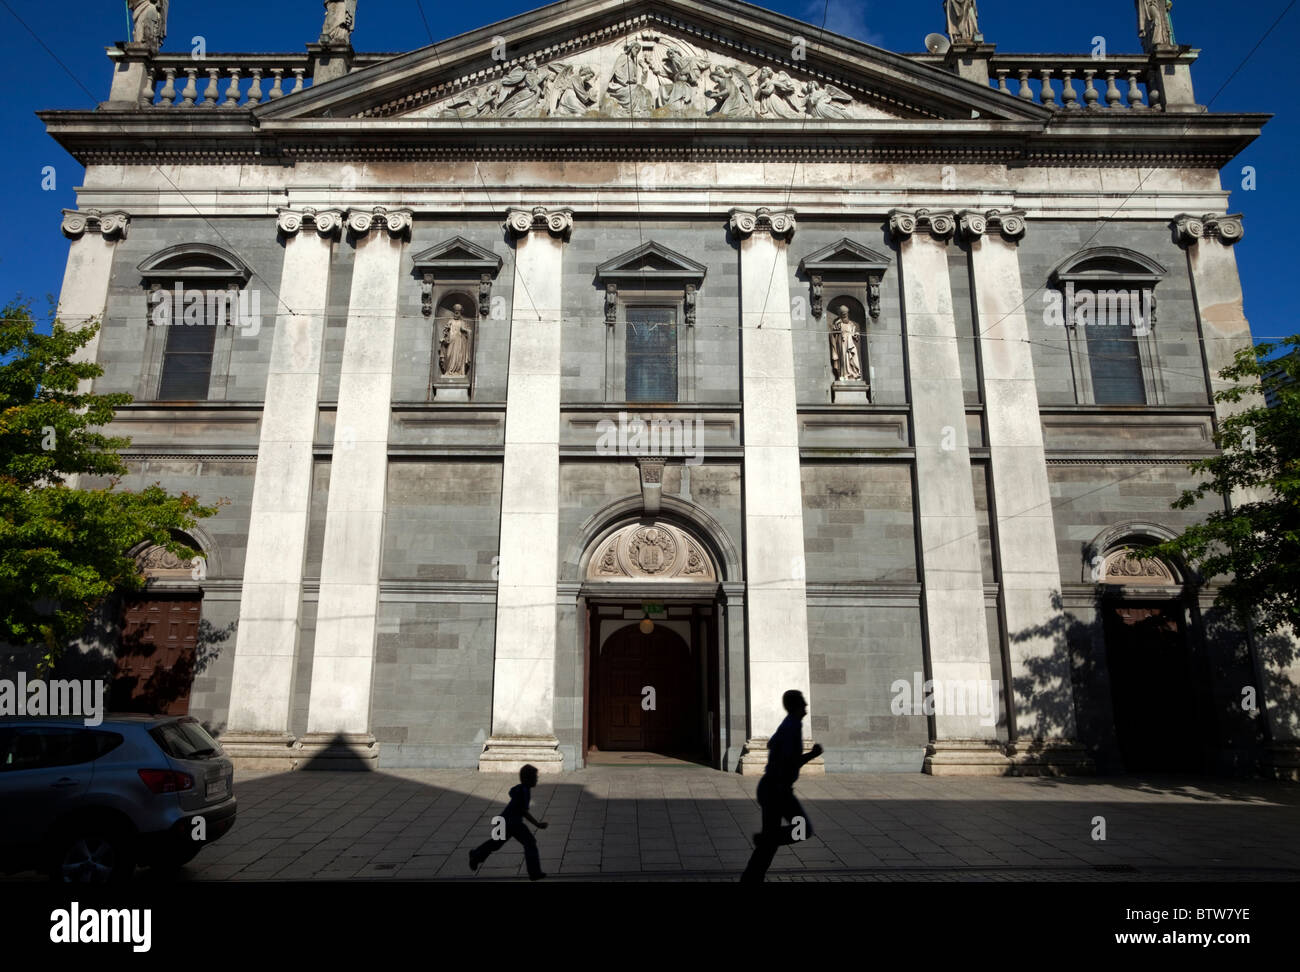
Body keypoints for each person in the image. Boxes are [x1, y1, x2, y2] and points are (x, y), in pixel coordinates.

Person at [740, 690, 823, 883]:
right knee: (803, 829)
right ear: (794, 706)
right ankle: (766, 839)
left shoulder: (790, 724)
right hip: (778, 789)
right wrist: (813, 754)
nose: (806, 706)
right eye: (803, 703)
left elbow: (772, 745)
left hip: (772, 787)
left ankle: (751, 878)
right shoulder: (792, 726)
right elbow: (789, 761)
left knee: (769, 847)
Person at [469, 764, 548, 880]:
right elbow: (523, 812)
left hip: (504, 821)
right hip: (513, 823)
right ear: (527, 779)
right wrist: (537, 824)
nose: (537, 779)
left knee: (495, 844)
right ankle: (534, 873)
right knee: (530, 843)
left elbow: (513, 795)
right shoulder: (524, 792)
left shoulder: (522, 789)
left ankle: (476, 855)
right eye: (535, 777)